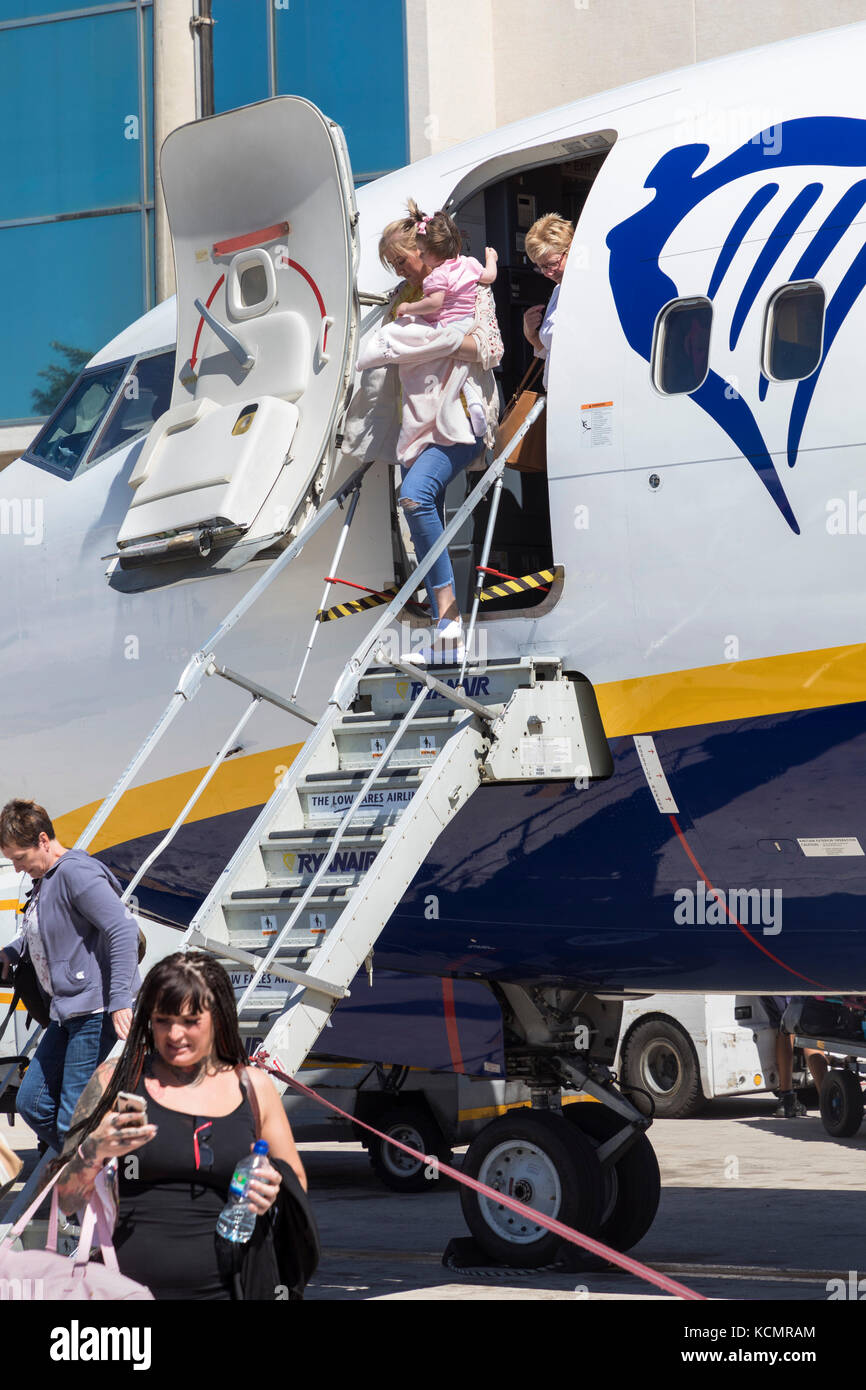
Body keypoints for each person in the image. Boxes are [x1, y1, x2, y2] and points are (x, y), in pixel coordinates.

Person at [55, 951, 308, 1300]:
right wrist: (94, 1150)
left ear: (217, 1018)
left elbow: (296, 1187)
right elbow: (64, 1200)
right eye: (163, 1020)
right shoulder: (116, 1082)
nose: (175, 1034)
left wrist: (272, 1188)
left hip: (232, 1288)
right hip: (126, 1295)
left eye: (191, 1021)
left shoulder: (252, 1088)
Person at [347, 207, 503, 662]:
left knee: (414, 498)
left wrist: (441, 341)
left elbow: (492, 349)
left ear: (423, 251)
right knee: (421, 519)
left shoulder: (464, 285)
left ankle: (450, 617)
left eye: (402, 260)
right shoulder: (401, 298)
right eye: (392, 265)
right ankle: (445, 630)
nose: (398, 270)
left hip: (457, 420)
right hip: (414, 422)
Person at [0, 799, 140, 1154]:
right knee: (31, 1104)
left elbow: (122, 931)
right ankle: (90, 1166)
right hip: (66, 1013)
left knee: (72, 1119)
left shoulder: (76, 873)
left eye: (19, 858)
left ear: (44, 840)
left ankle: (85, 1193)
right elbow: (46, 930)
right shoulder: (46, 878)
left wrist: (121, 1000)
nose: (17, 868)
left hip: (93, 1010)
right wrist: (13, 952)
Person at [395, 202, 498, 436]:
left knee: (440, 361)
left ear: (435, 253)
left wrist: (410, 307)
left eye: (421, 252)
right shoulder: (469, 264)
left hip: (448, 324)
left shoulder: (437, 277)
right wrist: (491, 257)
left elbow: (435, 303)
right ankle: (473, 402)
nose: (420, 256)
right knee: (461, 367)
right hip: (468, 322)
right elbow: (490, 276)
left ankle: (456, 406)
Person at [522, 212, 575, 388]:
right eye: (541, 267)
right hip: (558, 396)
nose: (547, 273)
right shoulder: (558, 290)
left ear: (571, 250)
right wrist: (530, 332)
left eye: (551, 264)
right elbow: (549, 350)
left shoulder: (591, 289)